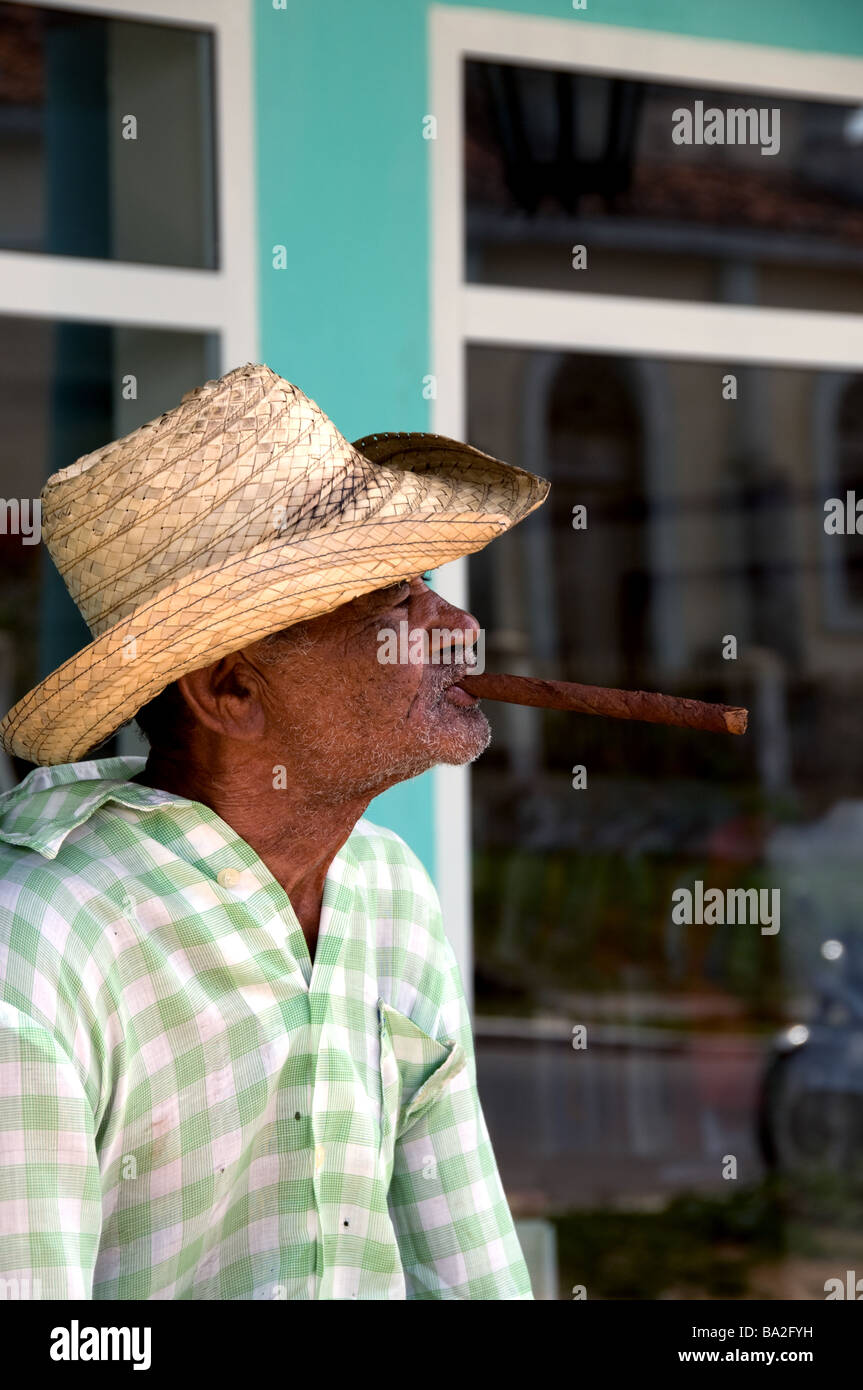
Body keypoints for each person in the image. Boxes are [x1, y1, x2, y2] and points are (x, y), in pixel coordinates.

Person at [0, 362, 548, 1300]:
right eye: (392, 606)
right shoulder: (44, 944)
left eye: (427, 587)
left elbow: (473, 1272)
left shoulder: (385, 889)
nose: (457, 626)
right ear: (232, 691)